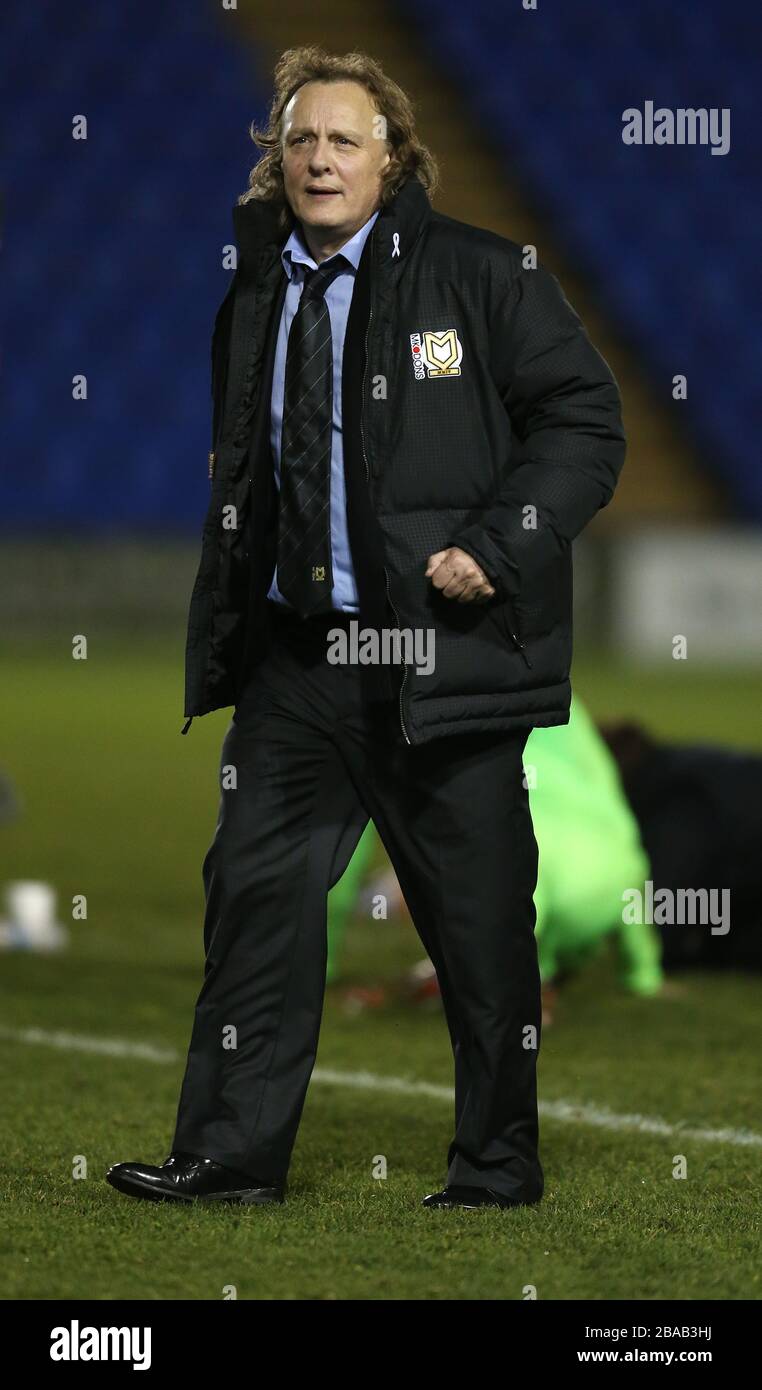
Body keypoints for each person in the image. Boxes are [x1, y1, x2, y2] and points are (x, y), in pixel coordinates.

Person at [106, 45, 625, 1210]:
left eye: (346, 139)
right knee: (252, 897)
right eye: (301, 139)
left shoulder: (484, 279)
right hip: (302, 660)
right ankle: (232, 1157)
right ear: (275, 159)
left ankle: (495, 1166)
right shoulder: (254, 291)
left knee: (480, 930)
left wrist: (497, 546)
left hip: (441, 659)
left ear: (395, 160)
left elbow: (587, 422)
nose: (320, 158)